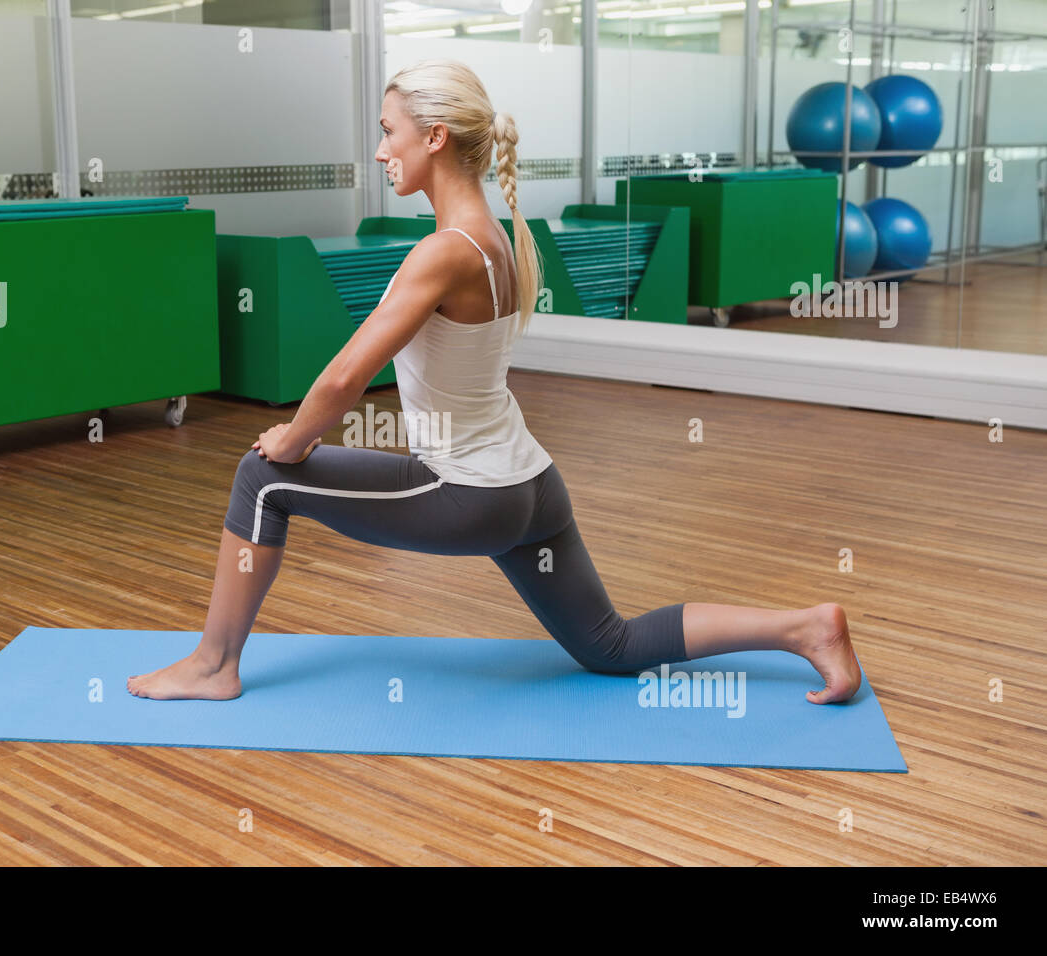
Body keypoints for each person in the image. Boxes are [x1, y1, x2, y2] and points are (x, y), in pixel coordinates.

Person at [128, 59, 861, 706]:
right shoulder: (499, 238)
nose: (382, 151)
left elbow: (347, 376)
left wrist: (290, 440)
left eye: (389, 132)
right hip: (531, 485)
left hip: (471, 494)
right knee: (610, 645)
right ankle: (803, 626)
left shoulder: (443, 252)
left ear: (435, 136)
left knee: (262, 479)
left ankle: (213, 664)